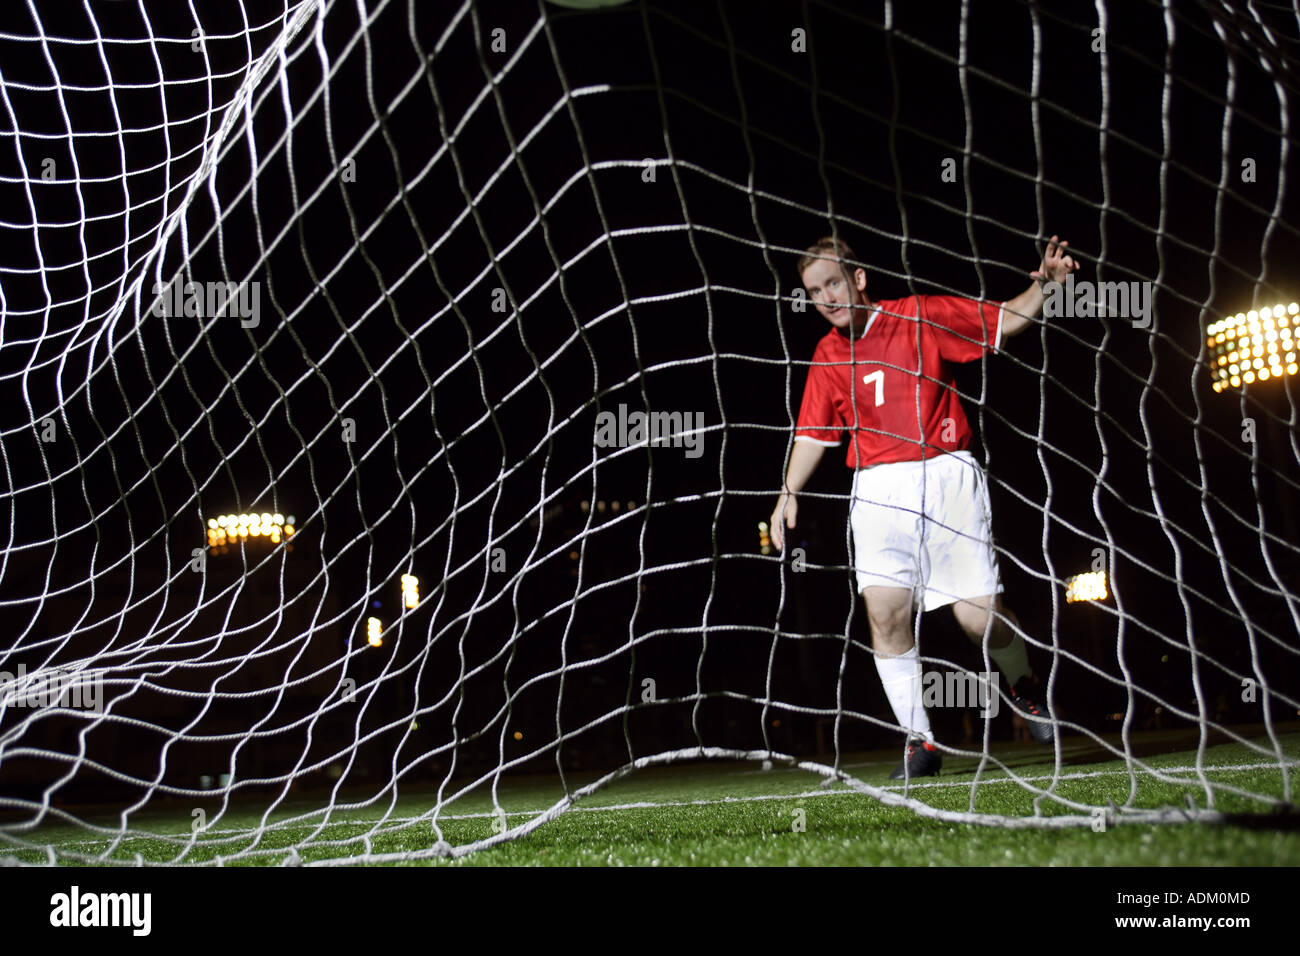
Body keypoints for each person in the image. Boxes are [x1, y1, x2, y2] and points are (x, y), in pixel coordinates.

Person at [770, 234, 1078, 778]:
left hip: (946, 476)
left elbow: (1002, 321)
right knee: (885, 613)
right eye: (814, 291)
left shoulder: (919, 315)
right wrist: (788, 490)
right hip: (876, 491)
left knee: (978, 620)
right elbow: (815, 434)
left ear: (858, 278)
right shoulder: (826, 353)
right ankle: (920, 742)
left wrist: (1047, 287)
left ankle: (1023, 683)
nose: (827, 297)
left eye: (834, 283)